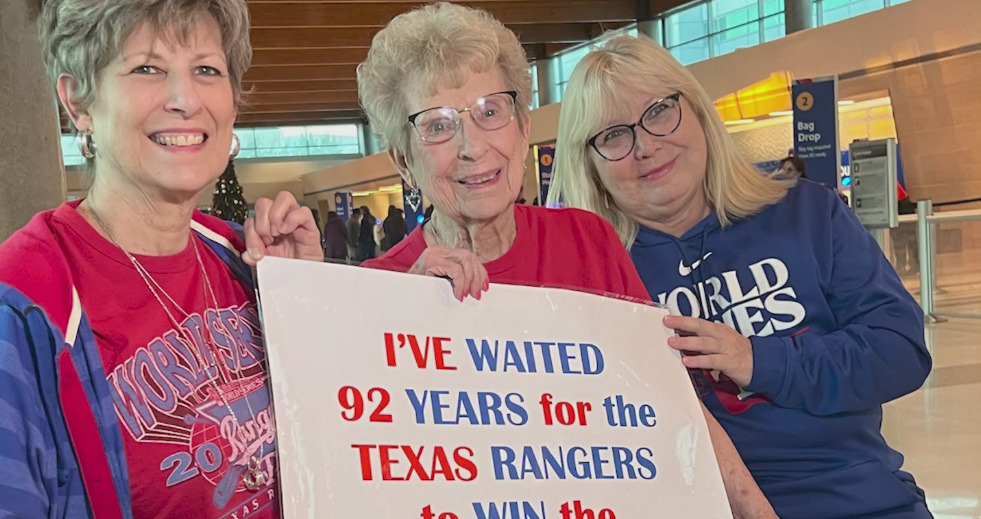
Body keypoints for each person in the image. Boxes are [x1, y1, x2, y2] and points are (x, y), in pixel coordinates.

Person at [355, 4, 777, 517]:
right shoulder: (376, 292)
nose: (472, 147)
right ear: (404, 159)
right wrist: (406, 314)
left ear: (523, 126)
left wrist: (755, 509)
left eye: (491, 112)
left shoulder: (587, 241)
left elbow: (670, 403)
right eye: (438, 126)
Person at [547, 35, 932, 519]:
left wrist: (760, 360)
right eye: (614, 136)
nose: (645, 145)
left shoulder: (807, 212)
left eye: (660, 111)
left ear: (698, 111)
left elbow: (900, 350)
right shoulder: (588, 274)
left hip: (852, 497)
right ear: (590, 163)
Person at [0, 1, 322, 517]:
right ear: (78, 101)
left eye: (206, 69)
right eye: (147, 68)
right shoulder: (23, 307)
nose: (185, 99)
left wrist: (307, 301)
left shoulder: (246, 258)